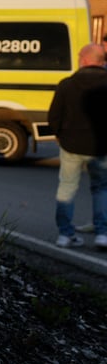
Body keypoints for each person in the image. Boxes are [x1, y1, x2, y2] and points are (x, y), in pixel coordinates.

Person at [48, 43, 107, 249]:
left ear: (84, 59)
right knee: (101, 189)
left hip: (71, 144)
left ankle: (65, 234)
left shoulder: (67, 84)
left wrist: (59, 135)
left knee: (67, 187)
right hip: (101, 147)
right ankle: (102, 233)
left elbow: (54, 116)